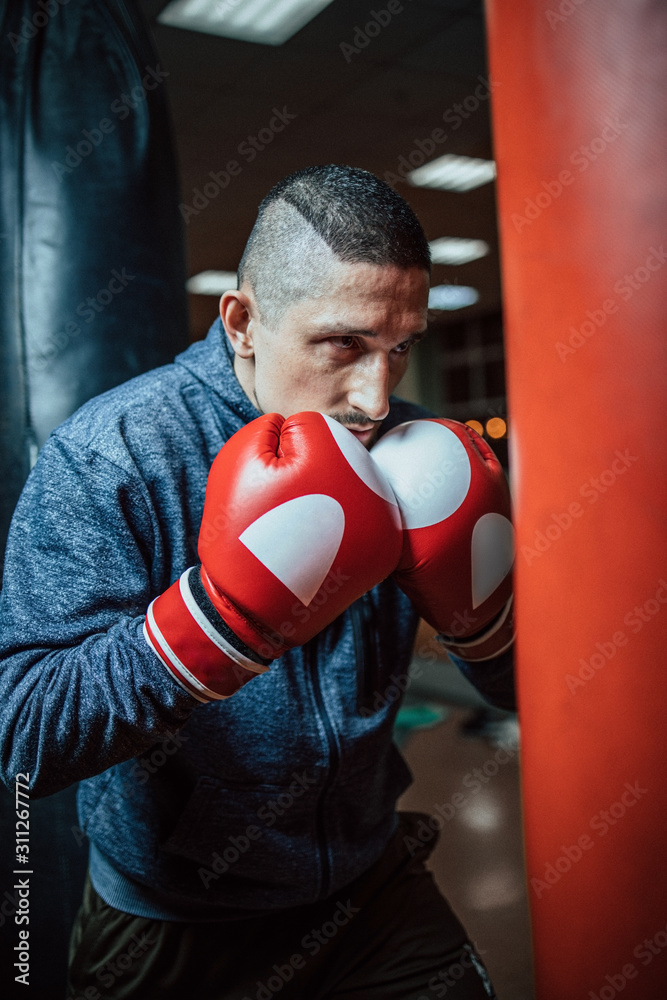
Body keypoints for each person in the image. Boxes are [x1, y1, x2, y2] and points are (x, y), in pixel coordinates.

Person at [0, 165, 514, 999]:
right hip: (173, 924)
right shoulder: (117, 453)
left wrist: (486, 626)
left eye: (401, 347)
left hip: (367, 887)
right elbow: (25, 736)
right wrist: (213, 628)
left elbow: (527, 692)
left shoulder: (421, 452)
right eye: (343, 344)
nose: (376, 396)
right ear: (242, 321)